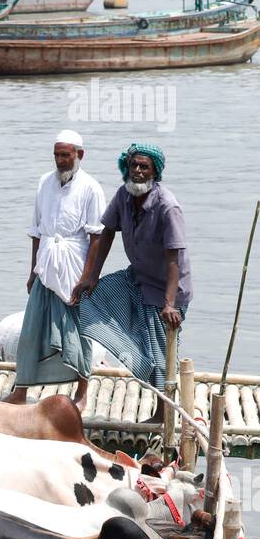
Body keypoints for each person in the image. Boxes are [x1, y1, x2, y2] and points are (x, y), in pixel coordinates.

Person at [72, 142, 192, 423]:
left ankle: (164, 414)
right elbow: (106, 234)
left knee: (162, 352)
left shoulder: (167, 206)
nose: (137, 171)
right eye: (133, 165)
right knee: (93, 299)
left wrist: (169, 304)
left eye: (144, 167)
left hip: (167, 290)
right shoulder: (123, 196)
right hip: (137, 277)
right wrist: (91, 277)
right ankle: (137, 360)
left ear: (155, 172)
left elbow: (174, 257)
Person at [7, 130, 105, 410]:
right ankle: (21, 390)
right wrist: (32, 271)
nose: (61, 161)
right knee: (32, 328)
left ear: (79, 155)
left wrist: (88, 278)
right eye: (57, 155)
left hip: (75, 264)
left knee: (78, 330)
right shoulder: (44, 183)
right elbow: (36, 231)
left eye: (66, 155)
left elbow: (97, 237)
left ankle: (82, 391)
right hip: (46, 263)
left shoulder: (91, 188)